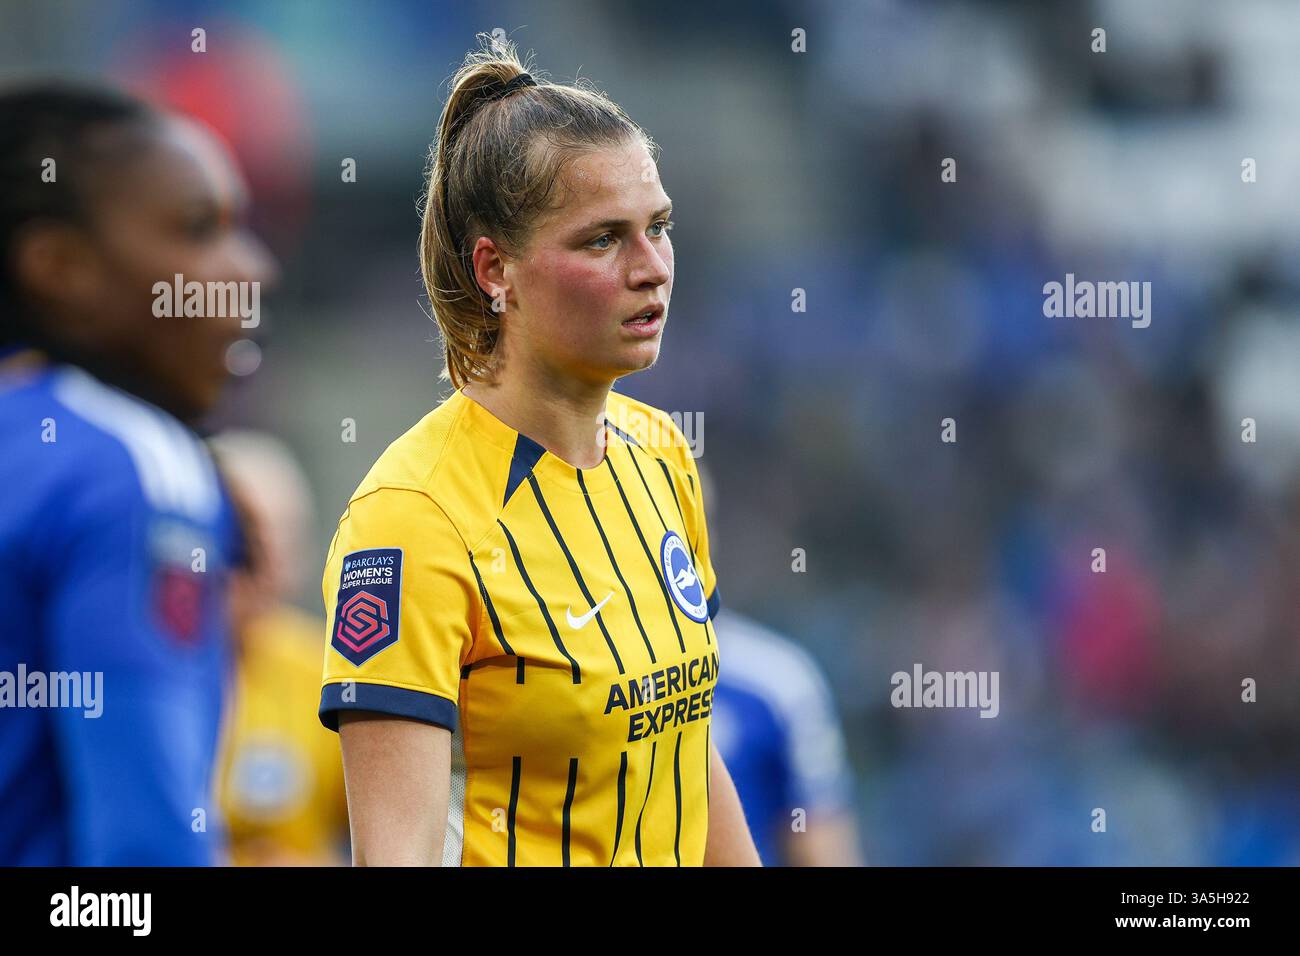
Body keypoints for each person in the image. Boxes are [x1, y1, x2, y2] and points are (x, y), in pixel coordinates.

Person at [318, 37, 759, 866]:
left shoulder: (662, 454)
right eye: (603, 240)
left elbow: (688, 751)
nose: (652, 268)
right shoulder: (411, 521)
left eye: (658, 227)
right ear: (496, 269)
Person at [0, 83, 277, 864]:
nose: (252, 271)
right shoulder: (129, 466)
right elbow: (144, 855)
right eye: (200, 230)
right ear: (60, 266)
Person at [211, 430, 349, 866]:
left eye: (285, 533)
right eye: (247, 531)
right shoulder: (139, 669)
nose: (265, 555)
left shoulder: (326, 670)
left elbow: (389, 837)